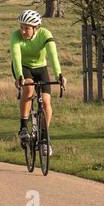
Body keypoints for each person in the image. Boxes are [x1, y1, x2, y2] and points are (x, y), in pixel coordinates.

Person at [11, 9, 63, 147]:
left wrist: (59, 74)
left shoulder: (45, 34)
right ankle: (23, 127)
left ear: (36, 28)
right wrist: (19, 76)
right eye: (21, 27)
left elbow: (52, 55)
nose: (22, 31)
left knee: (46, 102)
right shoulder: (15, 36)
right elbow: (16, 57)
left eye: (26, 28)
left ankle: (44, 137)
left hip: (41, 68)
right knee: (28, 88)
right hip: (23, 67)